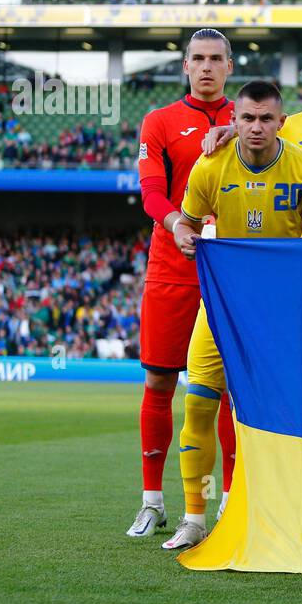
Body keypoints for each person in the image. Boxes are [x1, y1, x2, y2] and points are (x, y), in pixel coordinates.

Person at [161, 80, 302, 551]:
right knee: (198, 403)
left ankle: (270, 510)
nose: (256, 127)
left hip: (280, 313)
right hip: (221, 305)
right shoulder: (211, 165)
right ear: (232, 122)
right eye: (247, 118)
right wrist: (182, 231)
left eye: (265, 119)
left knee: (273, 415)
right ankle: (194, 518)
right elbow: (187, 221)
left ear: (282, 122)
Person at [128, 28, 236, 539]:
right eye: (199, 59)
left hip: (233, 268)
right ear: (186, 67)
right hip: (173, 265)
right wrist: (179, 225)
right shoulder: (159, 121)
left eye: (217, 59)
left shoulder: (252, 119)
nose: (208, 67)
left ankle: (231, 501)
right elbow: (150, 193)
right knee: (159, 381)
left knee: (229, 389)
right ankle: (153, 501)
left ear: (229, 67)